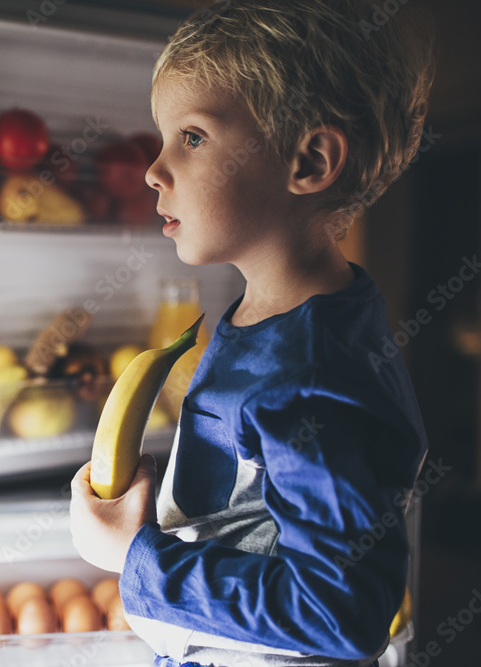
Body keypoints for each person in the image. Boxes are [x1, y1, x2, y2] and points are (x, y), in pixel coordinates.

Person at [69, 1, 435, 665]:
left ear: (311, 160)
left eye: (194, 137)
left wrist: (135, 556)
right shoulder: (275, 314)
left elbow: (337, 609)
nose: (154, 170)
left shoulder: (313, 376)